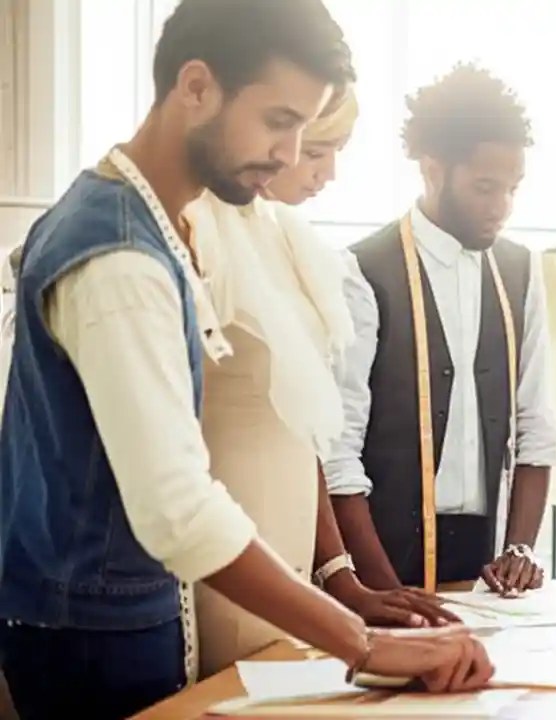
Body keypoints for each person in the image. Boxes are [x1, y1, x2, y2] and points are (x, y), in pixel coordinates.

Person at [0, 3, 490, 717]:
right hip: (93, 635)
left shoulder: (154, 222)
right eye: (280, 121)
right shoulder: (118, 259)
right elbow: (179, 510)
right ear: (195, 87)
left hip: (132, 613)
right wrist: (363, 645)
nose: (292, 156)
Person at [185, 89, 459, 678]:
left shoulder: (293, 241)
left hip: (290, 544)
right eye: (315, 150)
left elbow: (304, 426)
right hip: (222, 539)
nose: (327, 172)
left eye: (334, 150)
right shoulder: (192, 232)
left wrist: (340, 575)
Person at [325, 62, 556, 596]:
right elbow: (337, 451)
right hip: (379, 559)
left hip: (484, 569)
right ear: (432, 170)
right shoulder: (362, 270)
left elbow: (536, 427)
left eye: (512, 189)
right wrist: (382, 592)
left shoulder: (522, 271)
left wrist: (519, 548)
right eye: (484, 187)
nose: (502, 207)